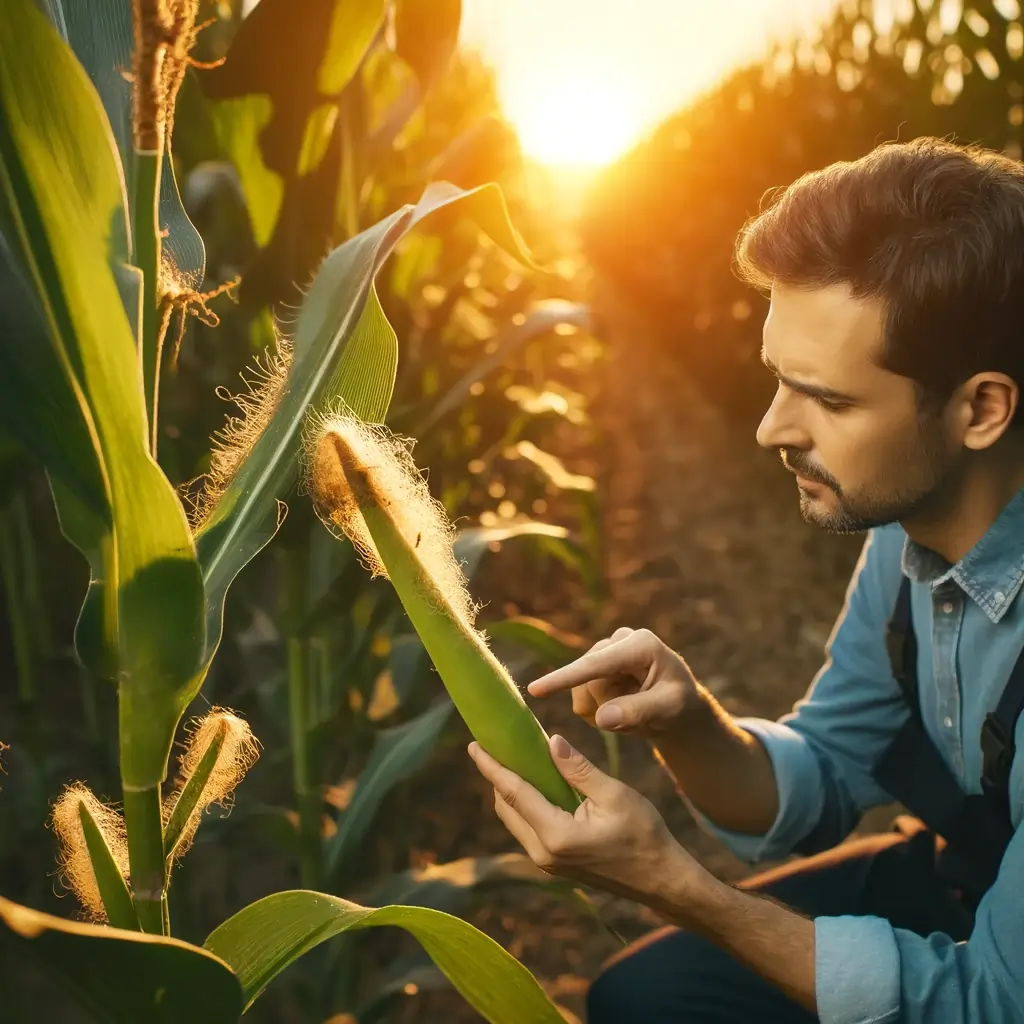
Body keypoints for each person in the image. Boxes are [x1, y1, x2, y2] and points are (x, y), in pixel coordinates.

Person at [468, 137, 1024, 1023]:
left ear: (980, 410)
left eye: (830, 401)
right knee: (638, 998)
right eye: (778, 380)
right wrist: (692, 725)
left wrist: (675, 886)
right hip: (970, 877)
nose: (770, 429)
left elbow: (991, 1002)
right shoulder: (910, 538)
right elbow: (826, 780)